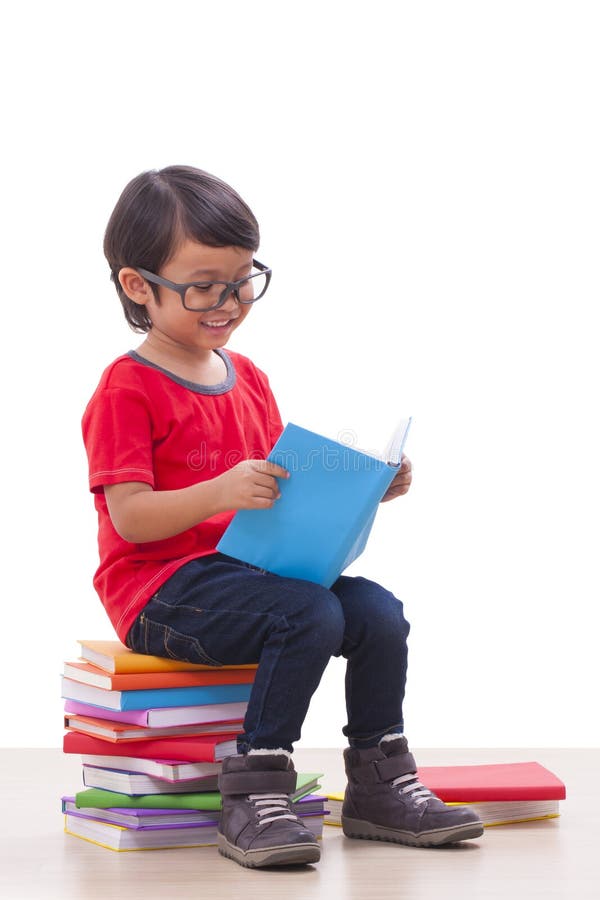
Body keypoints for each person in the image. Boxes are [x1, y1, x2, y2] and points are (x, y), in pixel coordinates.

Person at [82, 165, 483, 869]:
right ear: (137, 286)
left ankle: (380, 782)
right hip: (160, 589)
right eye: (203, 284)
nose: (228, 301)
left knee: (378, 612)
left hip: (245, 573)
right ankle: (257, 790)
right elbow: (133, 520)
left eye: (242, 279)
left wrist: (365, 489)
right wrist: (218, 493)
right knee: (308, 615)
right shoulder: (127, 387)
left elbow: (278, 494)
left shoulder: (251, 380)